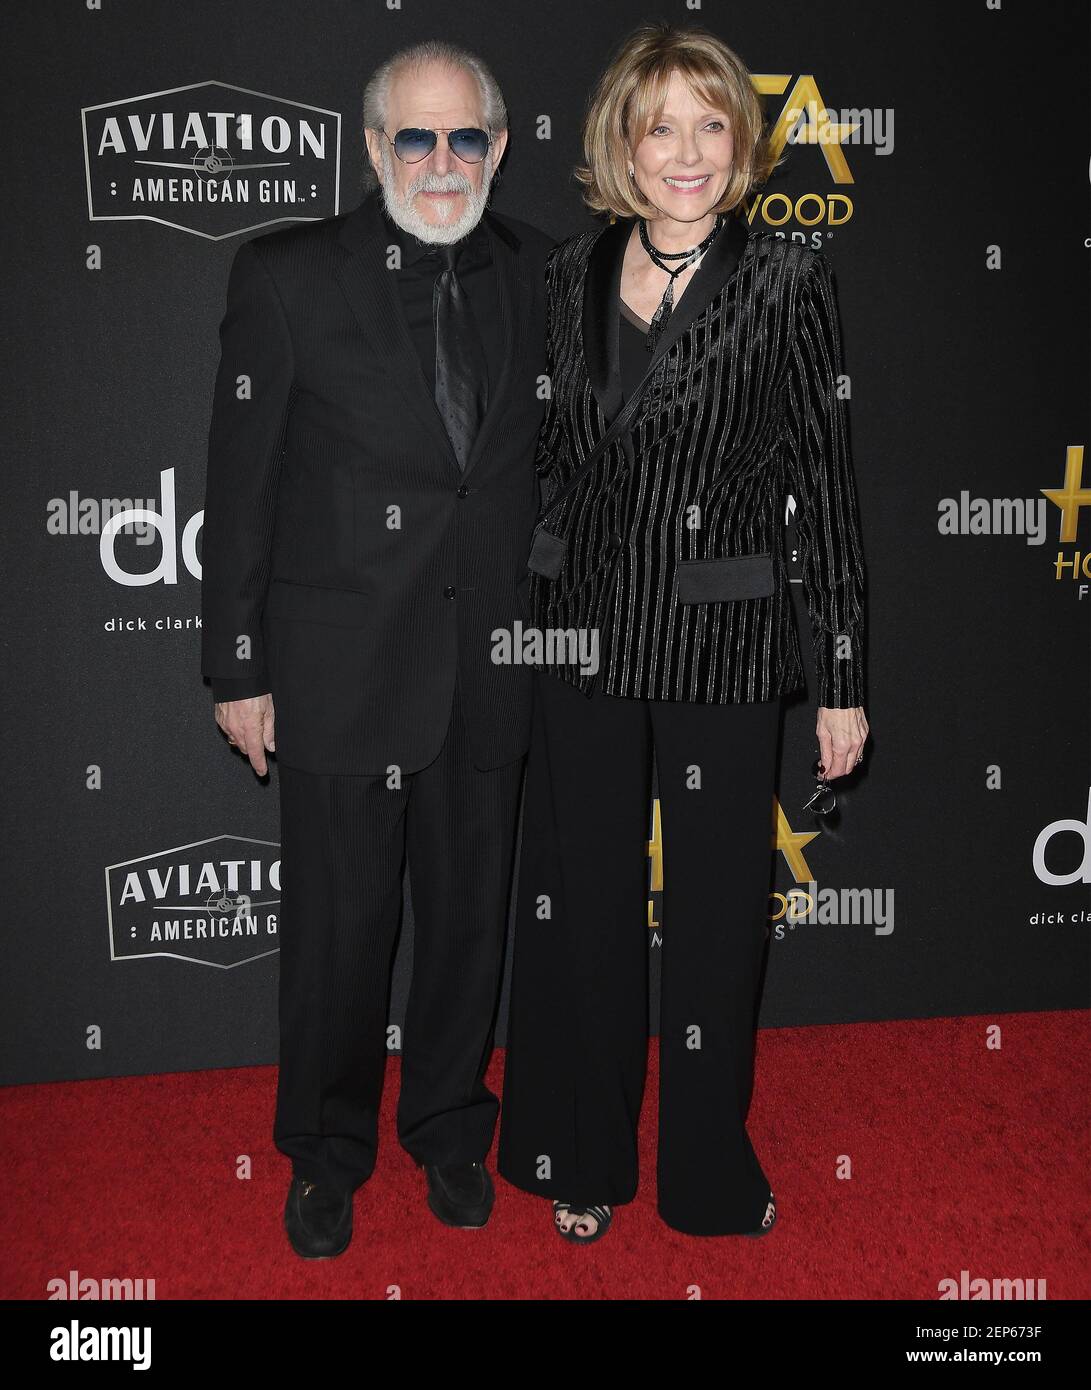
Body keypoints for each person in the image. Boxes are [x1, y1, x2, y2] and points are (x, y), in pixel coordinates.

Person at [497, 21, 870, 1242]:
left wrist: (839, 680)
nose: (687, 151)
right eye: (661, 125)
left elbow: (821, 483)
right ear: (620, 140)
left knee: (713, 927)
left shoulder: (784, 276)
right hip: (584, 646)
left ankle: (706, 1170)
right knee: (582, 907)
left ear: (742, 142)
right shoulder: (566, 274)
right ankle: (581, 1153)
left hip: (720, 646)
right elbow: (545, 466)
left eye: (710, 123)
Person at [200, 39, 552, 1258]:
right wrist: (237, 665)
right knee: (338, 938)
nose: (441, 161)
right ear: (371, 149)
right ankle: (324, 1153)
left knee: (468, 926)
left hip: (494, 669)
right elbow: (238, 489)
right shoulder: (288, 276)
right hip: (339, 672)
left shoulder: (550, 277)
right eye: (416, 137)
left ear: (499, 148)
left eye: (466, 137)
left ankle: (451, 1128)